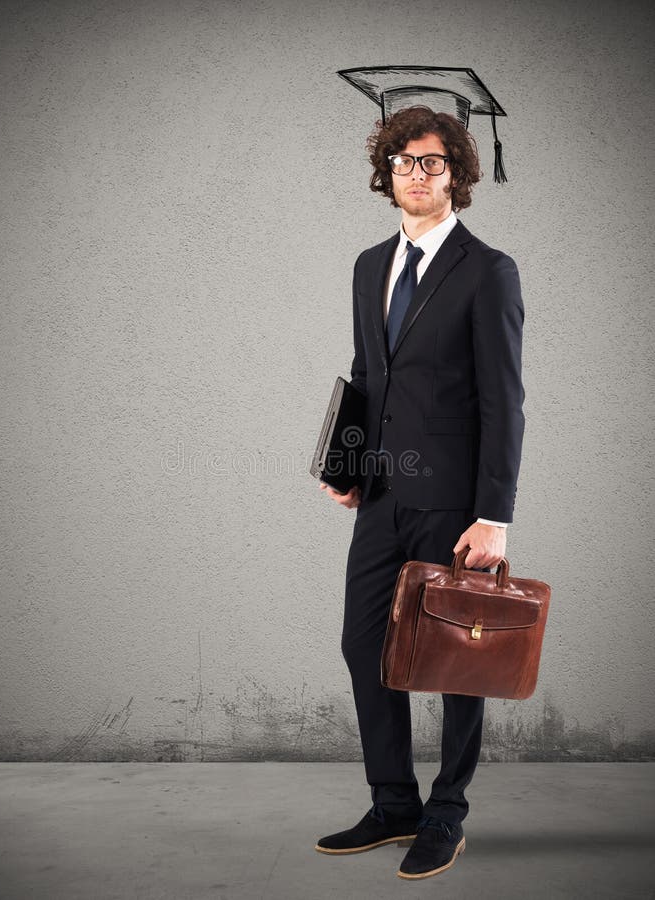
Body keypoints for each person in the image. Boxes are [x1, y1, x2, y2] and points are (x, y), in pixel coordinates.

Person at [315, 104, 525, 880]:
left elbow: (506, 400)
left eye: (431, 162)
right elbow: (370, 376)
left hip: (455, 503)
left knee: (454, 661)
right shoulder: (371, 264)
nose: (415, 174)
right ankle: (393, 803)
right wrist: (347, 466)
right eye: (403, 161)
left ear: (458, 174)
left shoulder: (488, 270)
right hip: (383, 496)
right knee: (364, 644)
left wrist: (494, 515)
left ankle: (447, 813)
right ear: (386, 171)